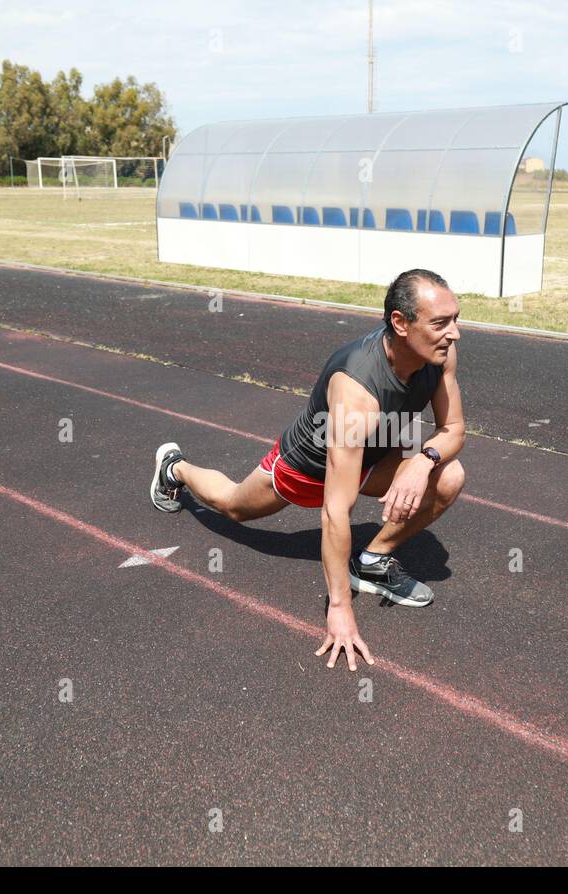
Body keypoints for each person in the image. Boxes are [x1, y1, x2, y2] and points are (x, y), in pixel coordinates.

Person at [150, 268, 466, 671]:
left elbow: (453, 429)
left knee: (449, 476)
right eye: (440, 323)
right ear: (400, 323)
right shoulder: (358, 390)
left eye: (455, 319)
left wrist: (424, 460)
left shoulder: (441, 355)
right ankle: (174, 469)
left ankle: (370, 560)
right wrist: (338, 607)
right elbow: (336, 510)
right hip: (308, 466)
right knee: (233, 506)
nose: (454, 333)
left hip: (376, 452)